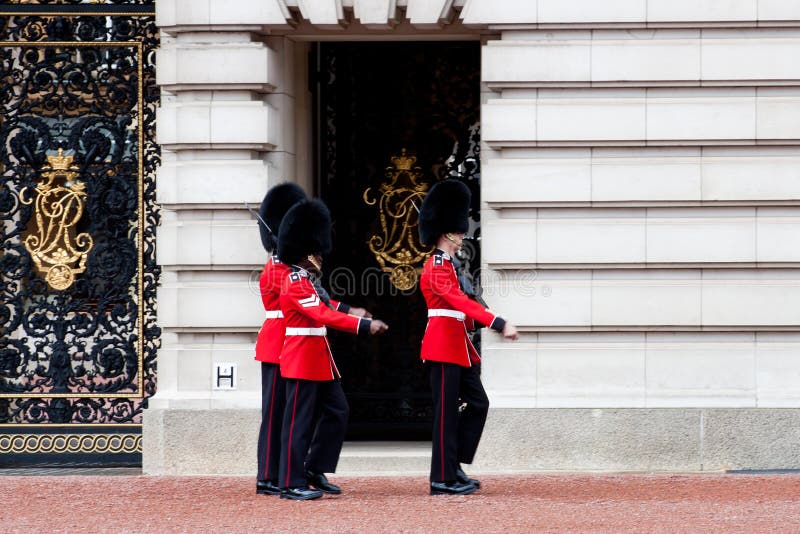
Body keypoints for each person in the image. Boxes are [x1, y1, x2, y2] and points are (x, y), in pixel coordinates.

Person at [254, 184, 372, 497]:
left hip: (299, 346)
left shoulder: (294, 271)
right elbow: (314, 306)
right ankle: (270, 474)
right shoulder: (277, 271)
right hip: (282, 345)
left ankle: (304, 469)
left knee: (314, 411)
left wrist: (350, 310)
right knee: (279, 413)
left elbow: (322, 301)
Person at [276, 199, 389, 500]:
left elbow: (327, 304)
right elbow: (323, 315)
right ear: (307, 253)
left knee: (338, 411)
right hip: (302, 358)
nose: (321, 256)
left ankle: (314, 469)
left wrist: (353, 310)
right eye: (317, 252)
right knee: (299, 423)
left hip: (319, 358)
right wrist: (364, 326)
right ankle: (289, 481)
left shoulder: (307, 282)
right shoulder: (295, 282)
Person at [417, 179, 519, 496]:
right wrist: (497, 321)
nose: (463, 235)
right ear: (447, 232)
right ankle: (441, 478)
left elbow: (466, 304)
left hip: (458, 346)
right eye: (459, 231)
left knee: (478, 403)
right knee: (446, 415)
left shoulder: (451, 265)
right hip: (442, 346)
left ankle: (453, 466)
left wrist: (480, 316)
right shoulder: (436, 266)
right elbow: (459, 302)